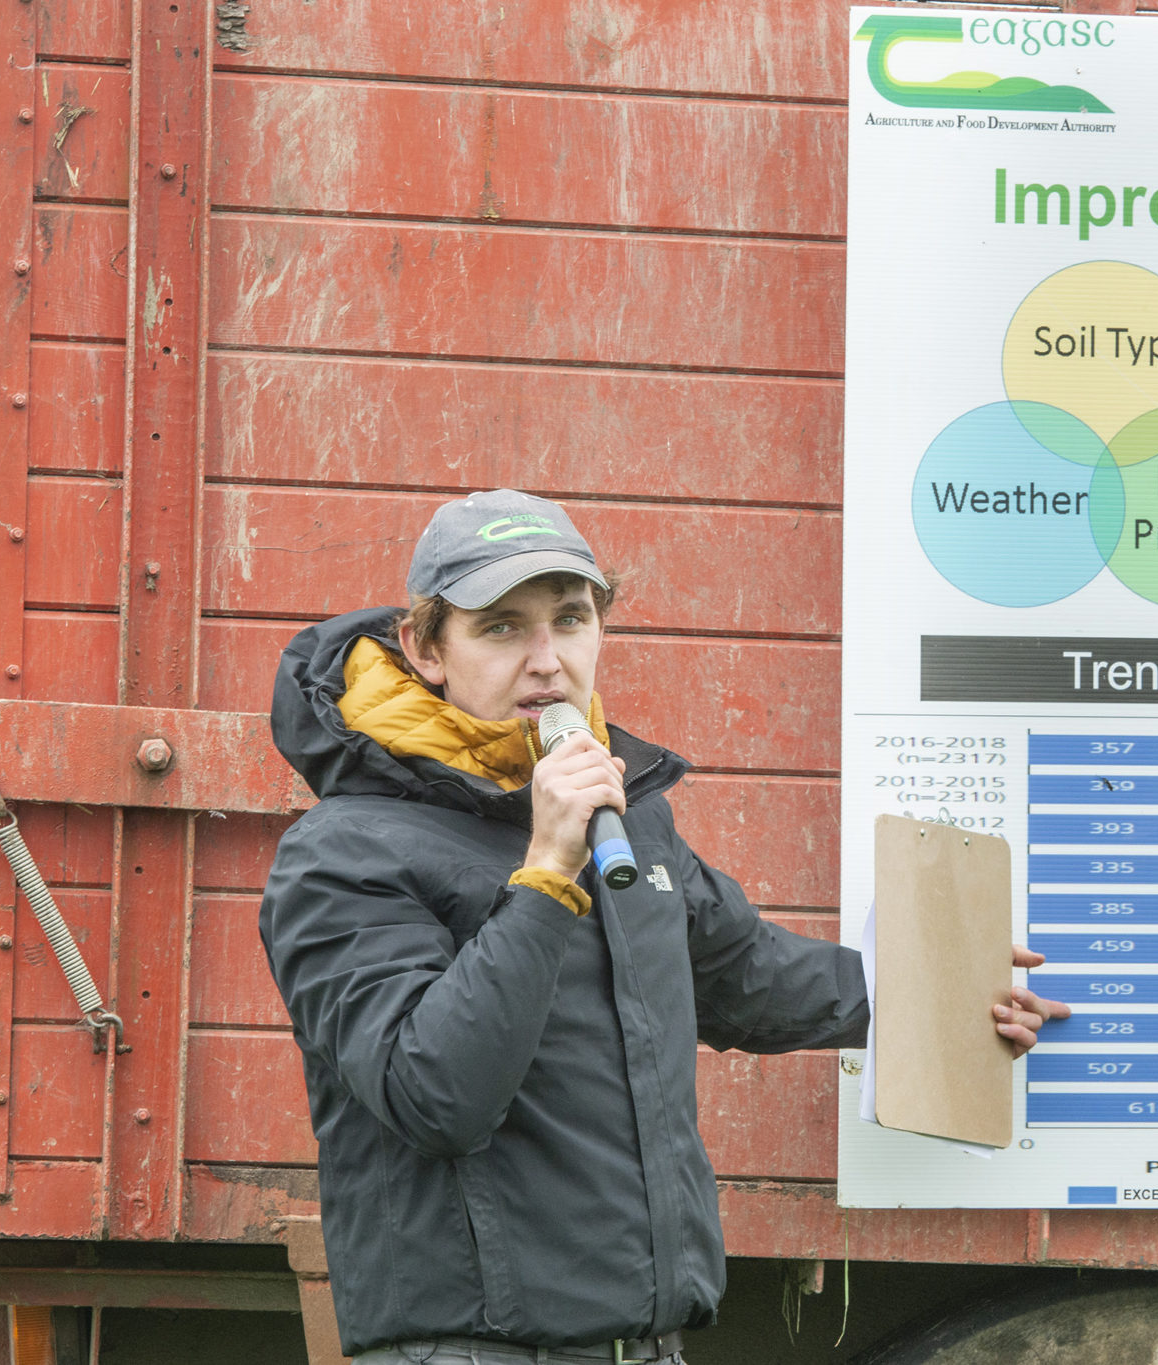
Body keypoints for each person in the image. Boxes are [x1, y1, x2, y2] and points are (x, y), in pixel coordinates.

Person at [260, 489, 1067, 1364]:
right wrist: (544, 873)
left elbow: (743, 972)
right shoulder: (342, 853)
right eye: (500, 628)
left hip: (643, 1343)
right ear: (426, 648)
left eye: (570, 619)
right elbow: (436, 1094)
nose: (547, 661)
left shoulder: (628, 821)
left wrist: (935, 994)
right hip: (467, 1348)